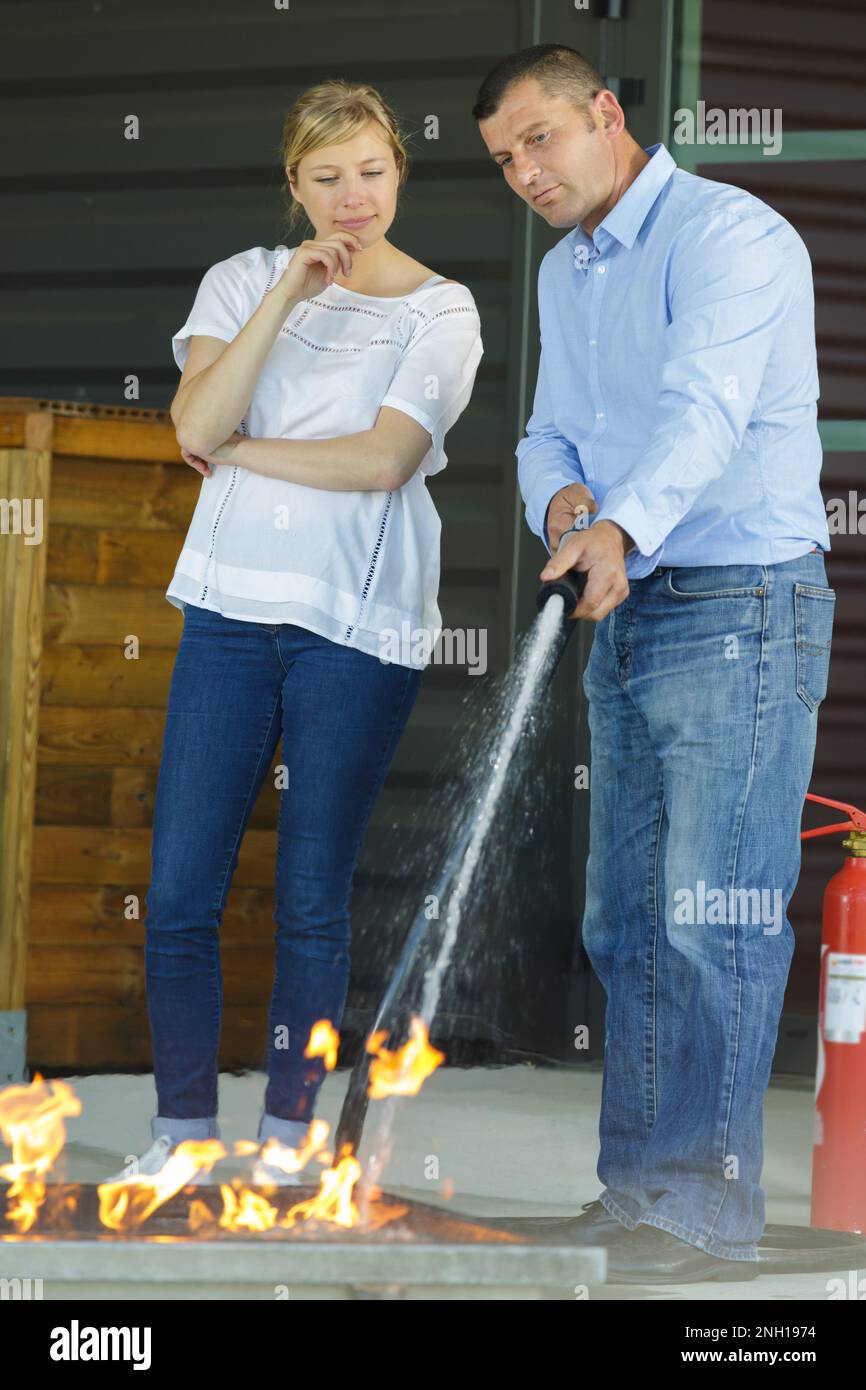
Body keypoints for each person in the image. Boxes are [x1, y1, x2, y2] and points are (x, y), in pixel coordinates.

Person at [474, 44, 833, 1283]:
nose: (524, 171)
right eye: (503, 158)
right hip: (624, 607)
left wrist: (618, 526)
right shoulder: (569, 271)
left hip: (735, 603)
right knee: (625, 921)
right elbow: (544, 429)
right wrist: (565, 498)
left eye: (539, 140)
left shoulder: (730, 237)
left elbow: (704, 415)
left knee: (712, 917)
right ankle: (635, 1189)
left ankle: (704, 1211)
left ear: (605, 115)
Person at [107, 80, 483, 1187]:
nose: (351, 198)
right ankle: (179, 1134)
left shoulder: (440, 310)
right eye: (326, 178)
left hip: (353, 627)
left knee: (310, 893)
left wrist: (243, 454)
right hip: (227, 610)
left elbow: (381, 460)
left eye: (370, 172)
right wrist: (285, 290)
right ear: (293, 186)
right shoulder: (239, 279)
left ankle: (286, 1138)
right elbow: (192, 420)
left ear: (397, 175)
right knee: (180, 891)